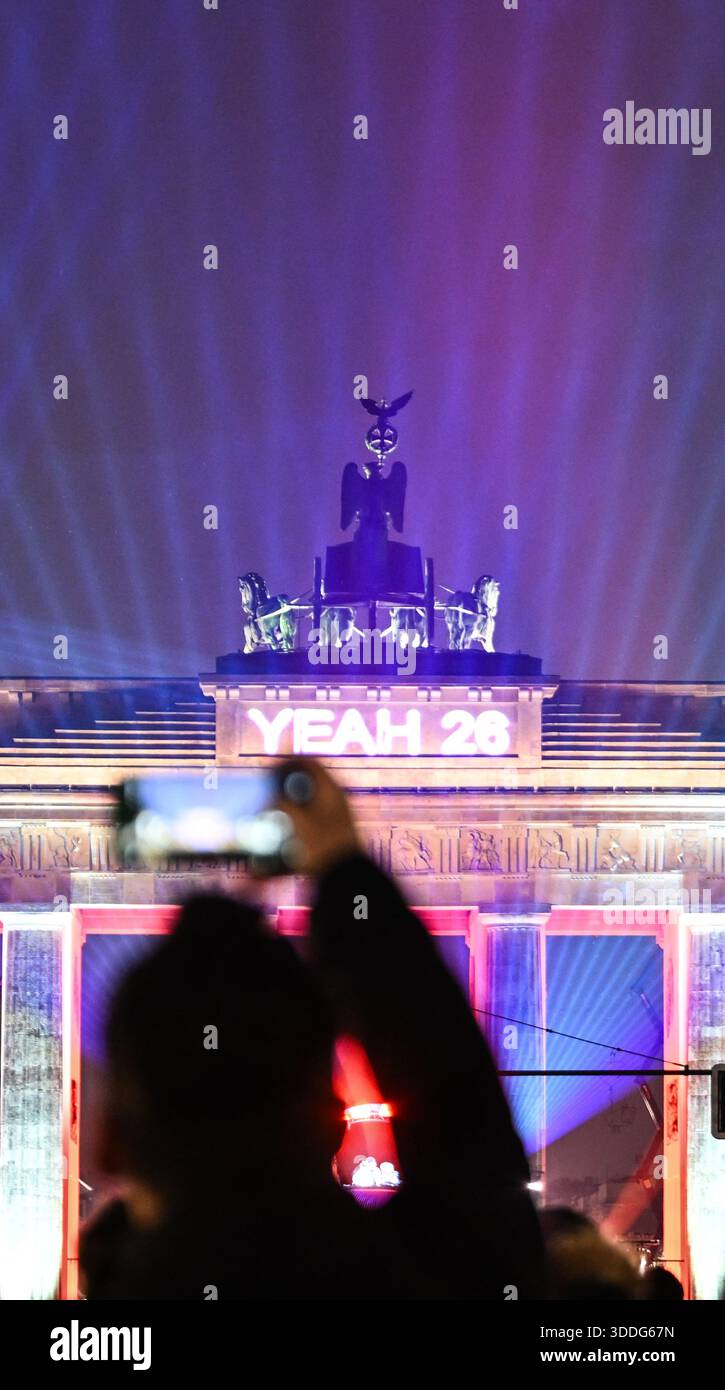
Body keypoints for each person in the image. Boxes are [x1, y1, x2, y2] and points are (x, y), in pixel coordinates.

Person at [84, 760, 545, 1299]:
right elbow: (472, 1152)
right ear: (331, 1121)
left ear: (110, 1142)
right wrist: (347, 874)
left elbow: (473, 1161)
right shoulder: (429, 1279)